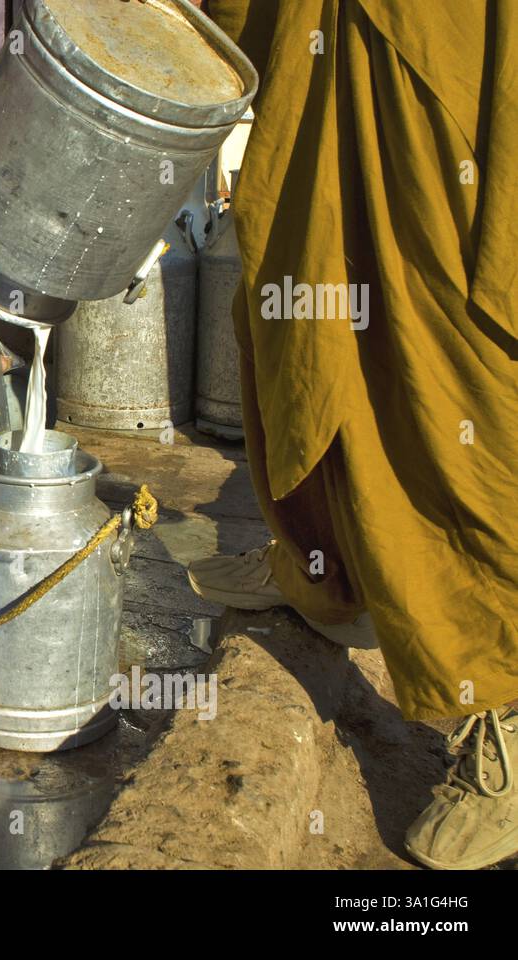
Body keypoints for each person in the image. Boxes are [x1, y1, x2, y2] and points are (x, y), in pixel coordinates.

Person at [188, 0, 517, 869]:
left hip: (456, 72)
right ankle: (324, 563)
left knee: (452, 371)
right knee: (298, 319)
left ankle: (509, 719)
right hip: (325, 54)